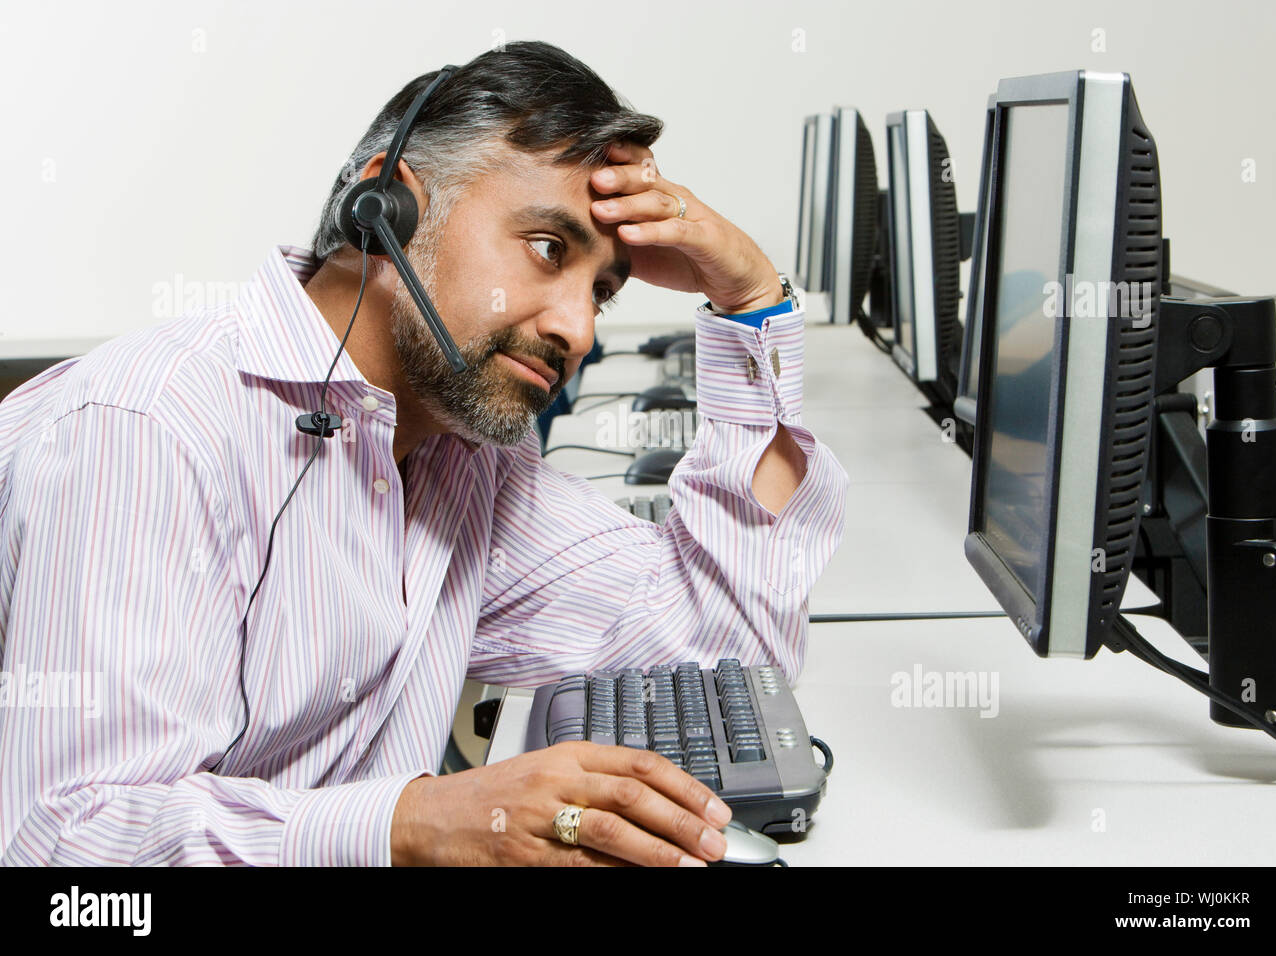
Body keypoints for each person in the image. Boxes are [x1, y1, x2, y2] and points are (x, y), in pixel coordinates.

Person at [0, 40, 848, 866]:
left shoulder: (460, 457)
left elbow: (728, 650)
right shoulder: (144, 432)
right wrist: (411, 826)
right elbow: (66, 851)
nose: (577, 329)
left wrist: (750, 301)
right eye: (548, 250)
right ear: (387, 208)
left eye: (601, 291)